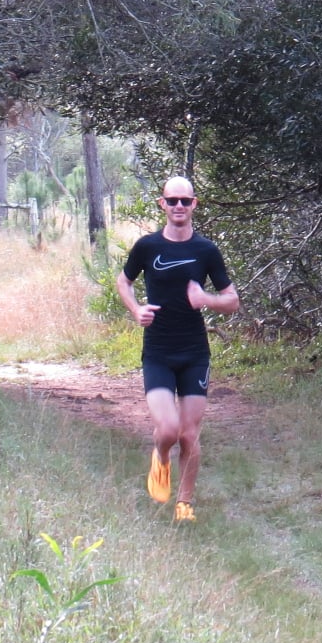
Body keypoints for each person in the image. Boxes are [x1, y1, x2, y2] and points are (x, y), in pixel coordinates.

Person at [116, 176, 239, 522]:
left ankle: (184, 504)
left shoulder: (206, 250)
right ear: (163, 204)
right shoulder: (147, 247)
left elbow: (232, 300)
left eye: (185, 200)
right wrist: (136, 309)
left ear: (194, 204)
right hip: (158, 351)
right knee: (168, 430)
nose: (179, 206)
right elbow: (124, 281)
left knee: (188, 434)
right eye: (173, 201)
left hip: (194, 353)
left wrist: (206, 299)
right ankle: (160, 457)